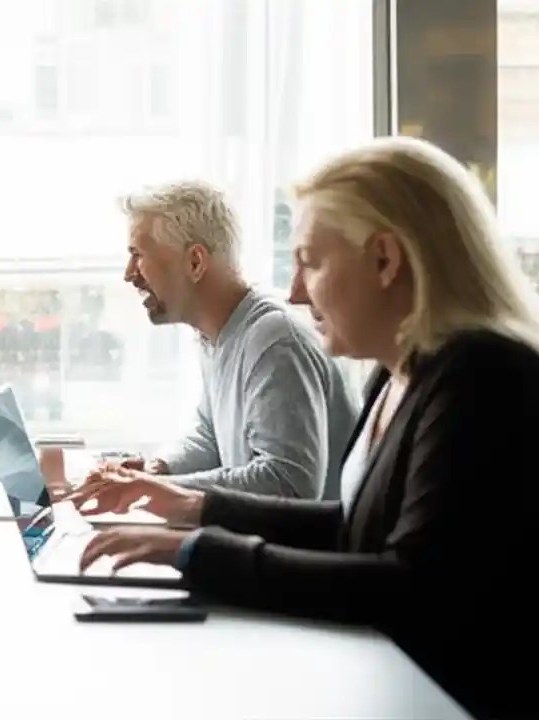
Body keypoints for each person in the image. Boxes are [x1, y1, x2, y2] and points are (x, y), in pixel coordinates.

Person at [69, 136, 536, 719]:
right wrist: (194, 513)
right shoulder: (400, 377)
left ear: (386, 261)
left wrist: (201, 550)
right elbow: (354, 526)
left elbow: (413, 587)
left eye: (310, 262)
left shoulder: (481, 377)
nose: (293, 291)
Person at [111, 180, 356, 499]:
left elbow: (287, 483)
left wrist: (158, 490)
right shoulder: (216, 337)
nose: (129, 274)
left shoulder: (275, 341)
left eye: (137, 255)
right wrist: (159, 469)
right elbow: (209, 437)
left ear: (195, 262)